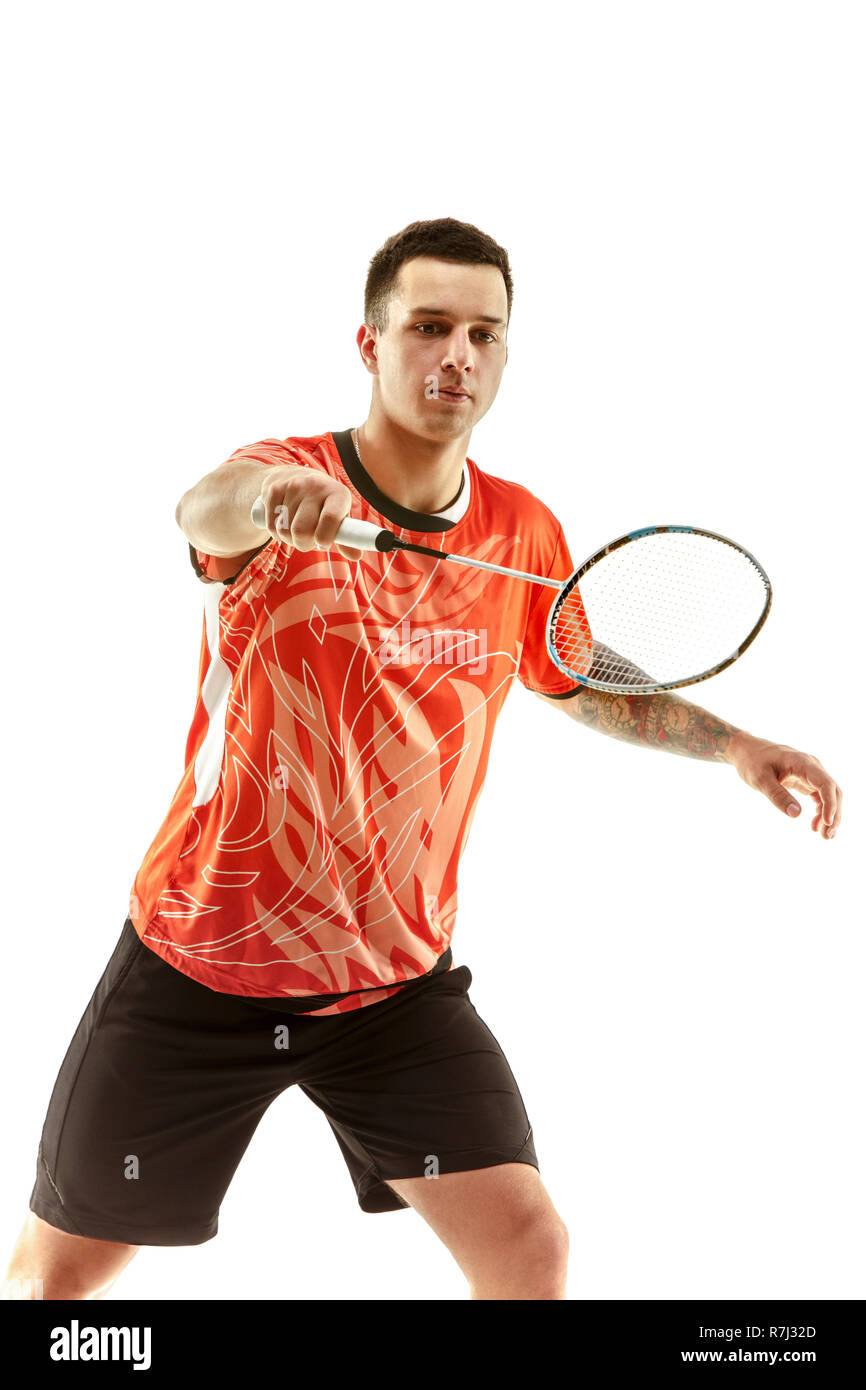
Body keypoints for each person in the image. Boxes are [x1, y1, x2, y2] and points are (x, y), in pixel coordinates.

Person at [4, 218, 842, 1302]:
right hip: (200, 971)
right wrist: (270, 508)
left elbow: (570, 667)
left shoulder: (518, 531)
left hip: (391, 990)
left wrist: (734, 746)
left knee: (528, 1248)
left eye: (483, 334)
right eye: (429, 326)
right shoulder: (283, 479)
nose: (457, 355)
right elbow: (201, 506)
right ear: (370, 344)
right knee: (59, 1279)